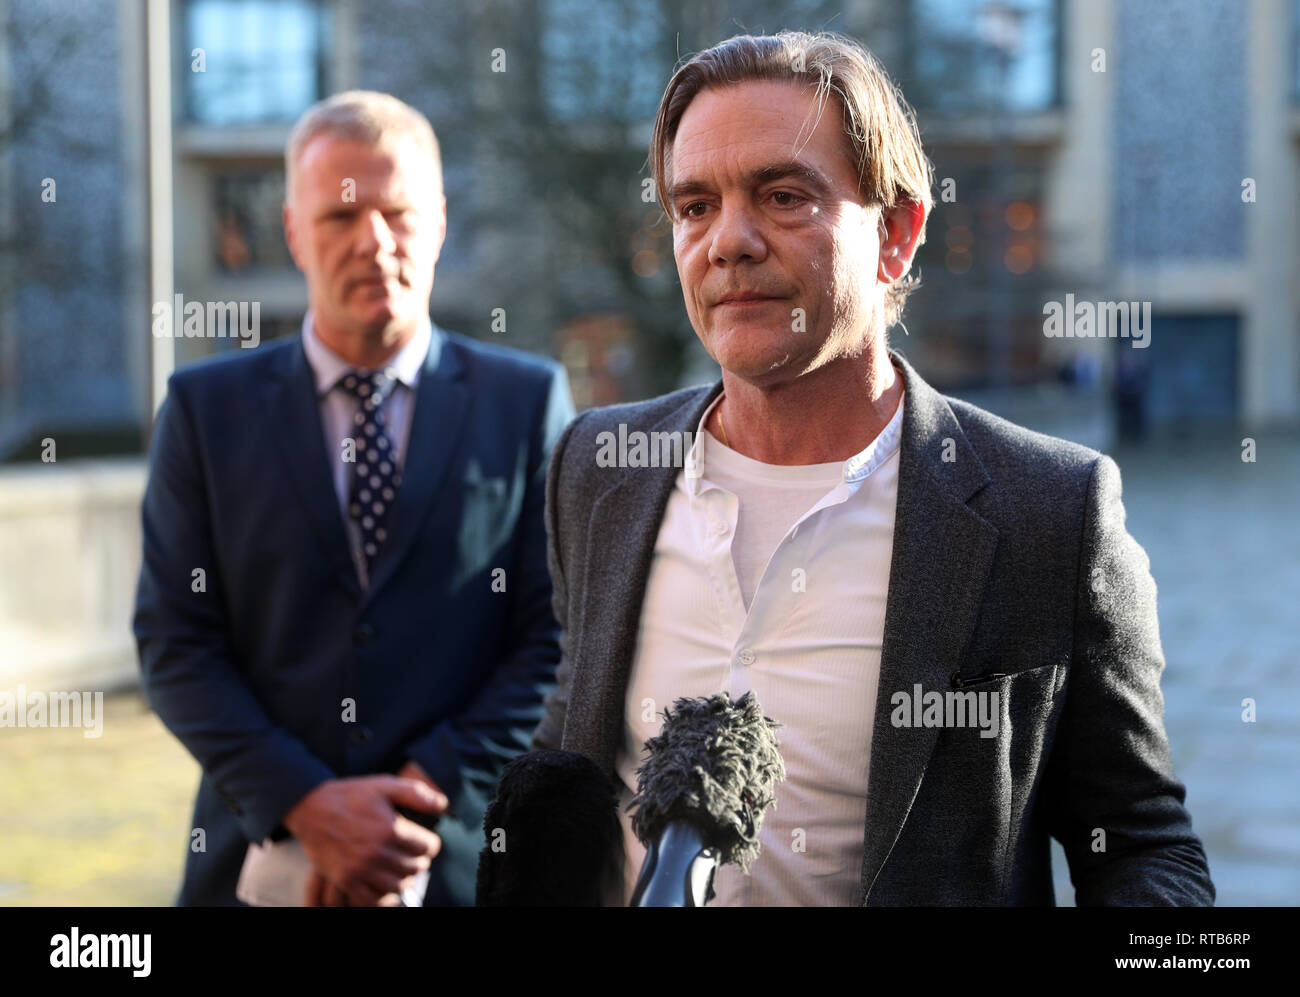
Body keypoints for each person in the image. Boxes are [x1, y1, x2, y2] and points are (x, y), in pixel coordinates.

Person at [532, 32, 1214, 906]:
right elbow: (569, 749)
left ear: (896, 232)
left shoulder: (1051, 511)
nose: (727, 241)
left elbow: (1143, 847)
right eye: (694, 206)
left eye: (782, 196)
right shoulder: (598, 469)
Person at [135, 90, 573, 906]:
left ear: (438, 222)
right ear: (295, 232)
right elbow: (173, 640)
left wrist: (419, 789)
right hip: (256, 860)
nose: (373, 242)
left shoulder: (527, 403)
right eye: (340, 218)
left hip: (461, 862)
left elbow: (554, 637)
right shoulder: (203, 410)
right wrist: (306, 801)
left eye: (398, 212)